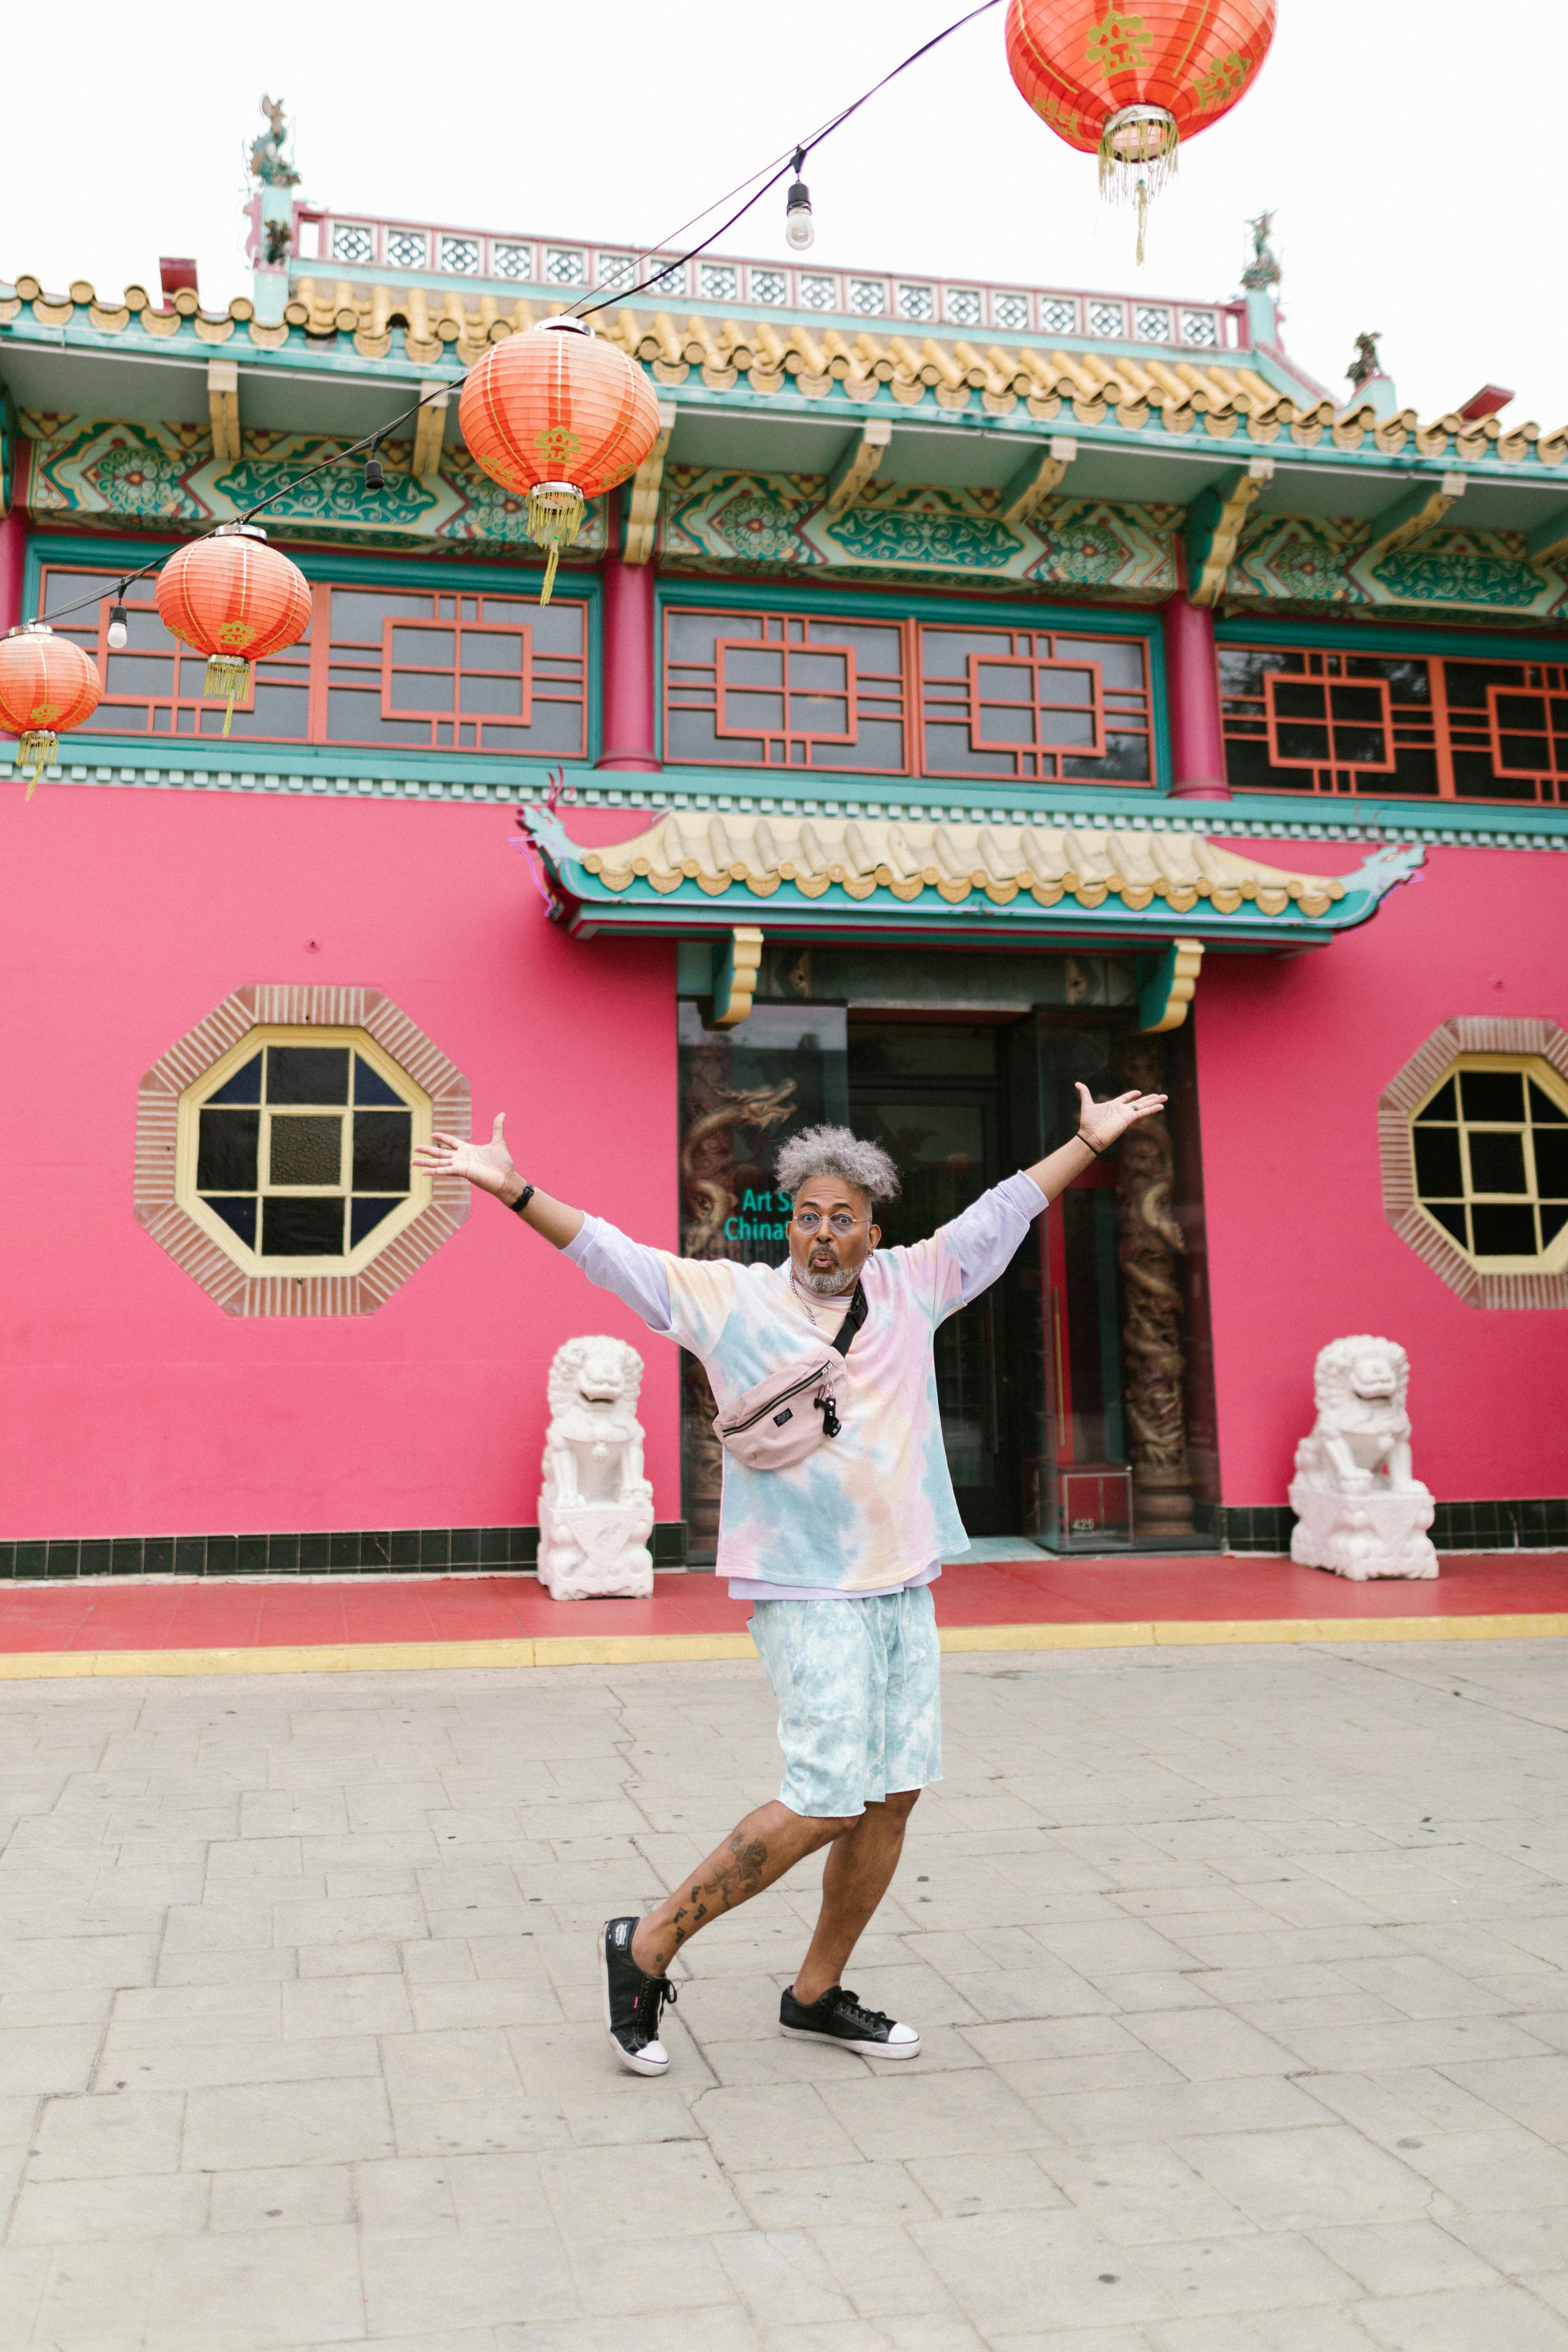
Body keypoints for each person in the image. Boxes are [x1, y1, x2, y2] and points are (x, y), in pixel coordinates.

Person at [414, 1077, 1166, 2076]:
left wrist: (1086, 1143)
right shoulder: (733, 1302)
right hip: (807, 1590)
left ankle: (815, 1992)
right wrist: (516, 1191)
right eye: (806, 1215)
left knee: (894, 1793)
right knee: (825, 1797)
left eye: (842, 1219)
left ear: (871, 1228)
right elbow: (613, 1256)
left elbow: (1003, 1212)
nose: (821, 1234)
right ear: (789, 1222)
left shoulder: (913, 1284)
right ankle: (644, 1947)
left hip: (902, 1583)